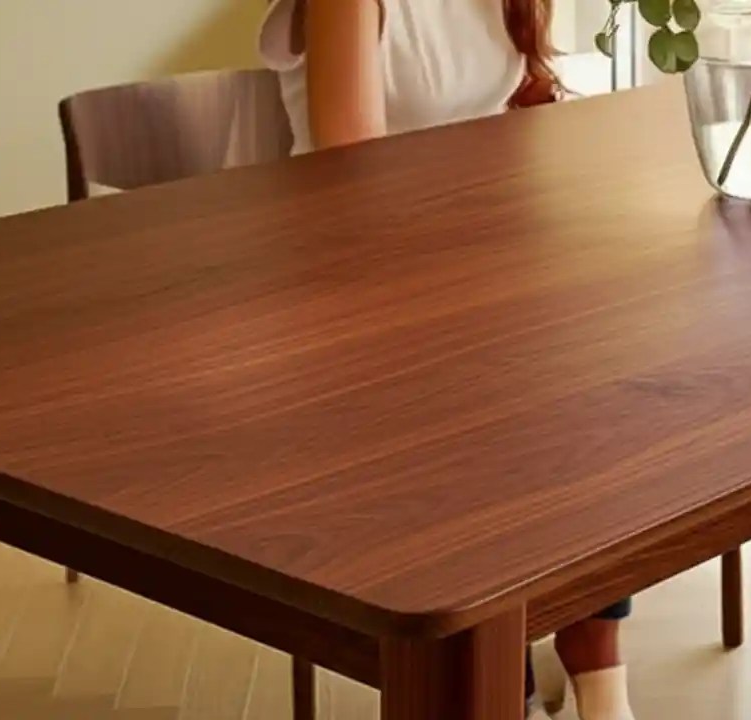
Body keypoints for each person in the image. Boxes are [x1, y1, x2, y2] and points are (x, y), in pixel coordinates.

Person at [258, 2, 636, 718]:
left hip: (473, 275)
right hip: (357, 299)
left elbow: (512, 105)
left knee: (596, 371)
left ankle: (596, 668)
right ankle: (502, 684)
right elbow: (354, 181)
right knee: (518, 406)